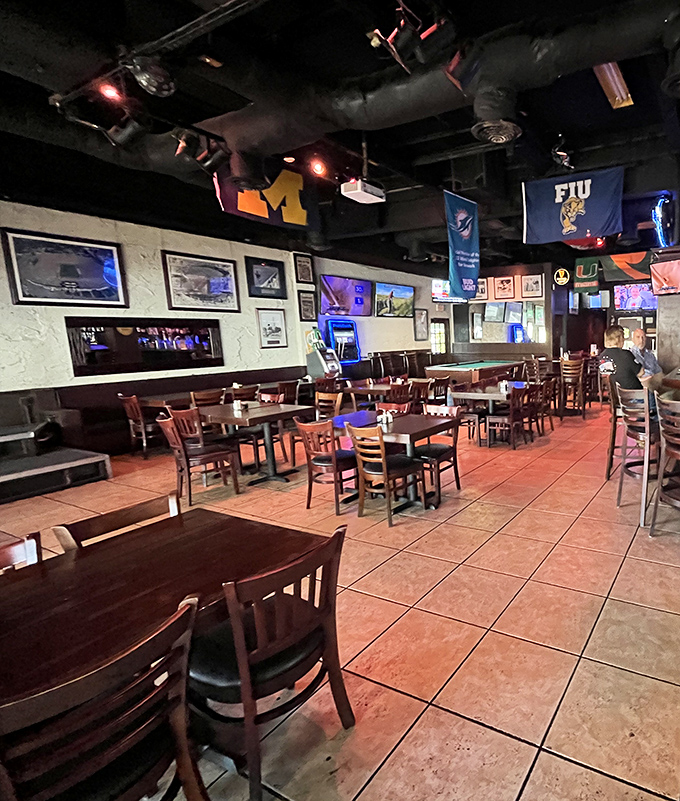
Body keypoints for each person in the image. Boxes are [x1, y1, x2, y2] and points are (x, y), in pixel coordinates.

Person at [598, 325, 645, 389]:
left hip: (613, 396)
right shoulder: (626, 354)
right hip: (634, 395)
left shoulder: (601, 357)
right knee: (654, 394)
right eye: (623, 337)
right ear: (619, 339)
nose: (624, 339)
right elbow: (641, 372)